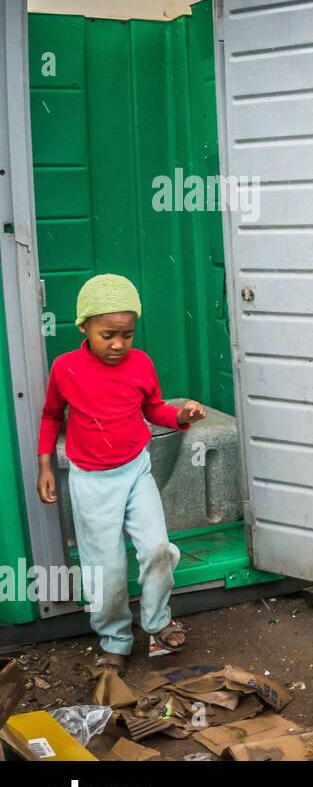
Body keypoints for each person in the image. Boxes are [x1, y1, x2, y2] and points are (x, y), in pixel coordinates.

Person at [36, 274, 206, 675]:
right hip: (91, 481)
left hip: (135, 471)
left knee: (157, 549)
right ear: (84, 327)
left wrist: (179, 416)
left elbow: (153, 409)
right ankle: (114, 639)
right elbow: (50, 416)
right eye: (107, 334)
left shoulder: (141, 363)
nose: (118, 344)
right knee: (105, 568)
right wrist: (45, 465)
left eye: (126, 335)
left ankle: (158, 622)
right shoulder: (66, 368)